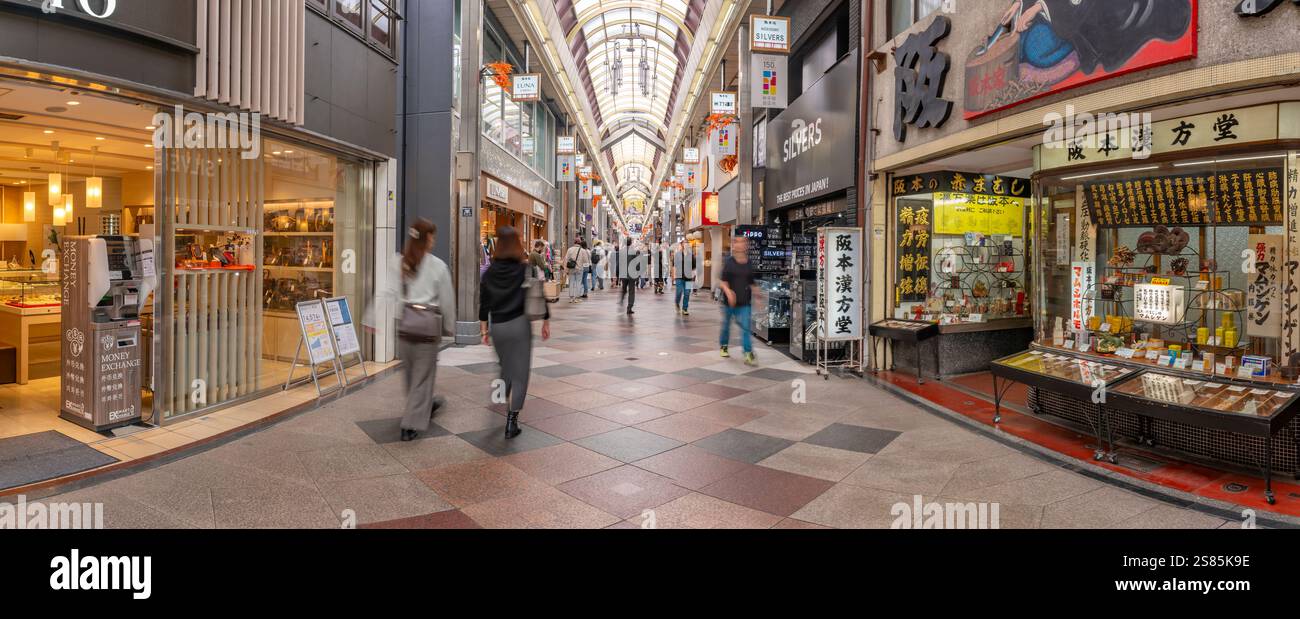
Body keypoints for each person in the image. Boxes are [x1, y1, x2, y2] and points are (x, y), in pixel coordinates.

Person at [480, 226, 551, 440]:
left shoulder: (490, 271)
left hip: (498, 327)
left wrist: (484, 329)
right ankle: (511, 421)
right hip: (520, 324)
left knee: (504, 366)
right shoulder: (525, 269)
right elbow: (539, 294)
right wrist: (546, 320)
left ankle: (498, 399)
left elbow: (484, 302)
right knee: (520, 373)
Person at [392, 219, 456, 442]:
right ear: (427, 238)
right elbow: (447, 300)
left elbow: (393, 294)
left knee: (411, 376)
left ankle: (424, 406)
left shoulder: (401, 263)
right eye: (432, 236)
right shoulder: (438, 266)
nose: (434, 241)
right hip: (427, 328)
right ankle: (410, 424)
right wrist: (449, 326)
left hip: (405, 326)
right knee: (423, 377)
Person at [719, 235, 758, 366]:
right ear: (734, 245)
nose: (740, 245)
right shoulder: (729, 262)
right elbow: (723, 282)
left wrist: (758, 295)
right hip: (729, 303)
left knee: (746, 327)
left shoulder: (749, 263)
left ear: (746, 245)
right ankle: (724, 345)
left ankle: (748, 352)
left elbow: (751, 282)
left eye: (743, 242)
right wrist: (729, 292)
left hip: (745, 302)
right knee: (726, 326)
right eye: (738, 242)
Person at [563, 239, 591, 303]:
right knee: (578, 282)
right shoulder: (583, 250)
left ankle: (571, 298)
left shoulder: (569, 249)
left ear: (574, 242)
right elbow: (585, 261)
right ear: (580, 243)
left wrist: (565, 269)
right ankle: (577, 298)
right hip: (579, 268)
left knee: (571, 282)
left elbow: (566, 259)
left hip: (571, 268)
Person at [673, 240, 696, 316]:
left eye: (687, 243)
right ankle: (677, 302)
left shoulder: (691, 255)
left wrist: (693, 276)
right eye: (684, 243)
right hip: (679, 277)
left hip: (689, 278)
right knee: (679, 292)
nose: (686, 245)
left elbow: (694, 267)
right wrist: (673, 275)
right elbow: (674, 266)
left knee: (687, 293)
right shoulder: (677, 255)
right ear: (682, 245)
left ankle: (685, 309)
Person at [619, 237, 640, 315]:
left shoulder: (621, 252)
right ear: (631, 243)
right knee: (631, 291)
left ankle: (621, 299)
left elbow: (619, 264)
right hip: (632, 274)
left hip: (624, 274)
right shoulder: (634, 251)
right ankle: (629, 307)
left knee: (624, 288)